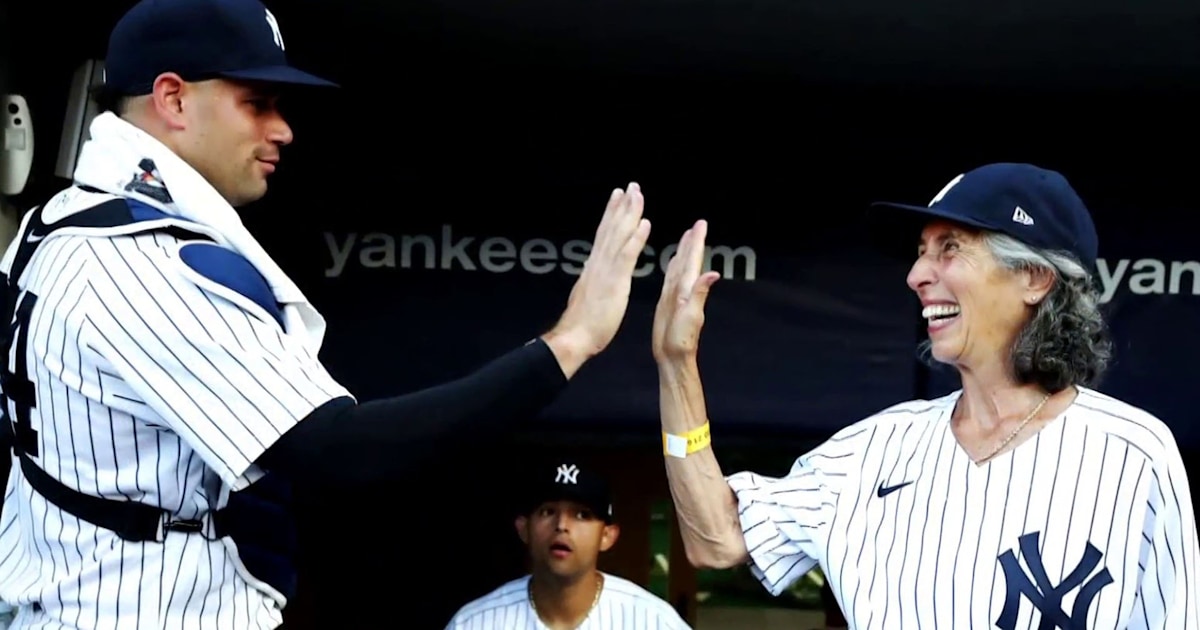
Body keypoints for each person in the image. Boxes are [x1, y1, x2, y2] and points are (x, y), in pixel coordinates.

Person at [0, 0, 654, 627]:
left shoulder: (53, 224)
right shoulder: (143, 263)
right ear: (173, 98)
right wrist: (568, 343)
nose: (281, 128)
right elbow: (342, 450)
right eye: (256, 103)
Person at [650, 163, 1200, 629]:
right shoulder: (874, 448)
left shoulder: (1134, 454)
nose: (916, 274)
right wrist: (676, 368)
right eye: (920, 252)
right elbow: (715, 540)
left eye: (950, 248)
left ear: (1034, 278)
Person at [445, 460, 691, 630]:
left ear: (607, 536)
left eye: (582, 515)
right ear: (524, 528)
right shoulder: (475, 622)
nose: (562, 524)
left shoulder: (653, 620)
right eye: (548, 511)